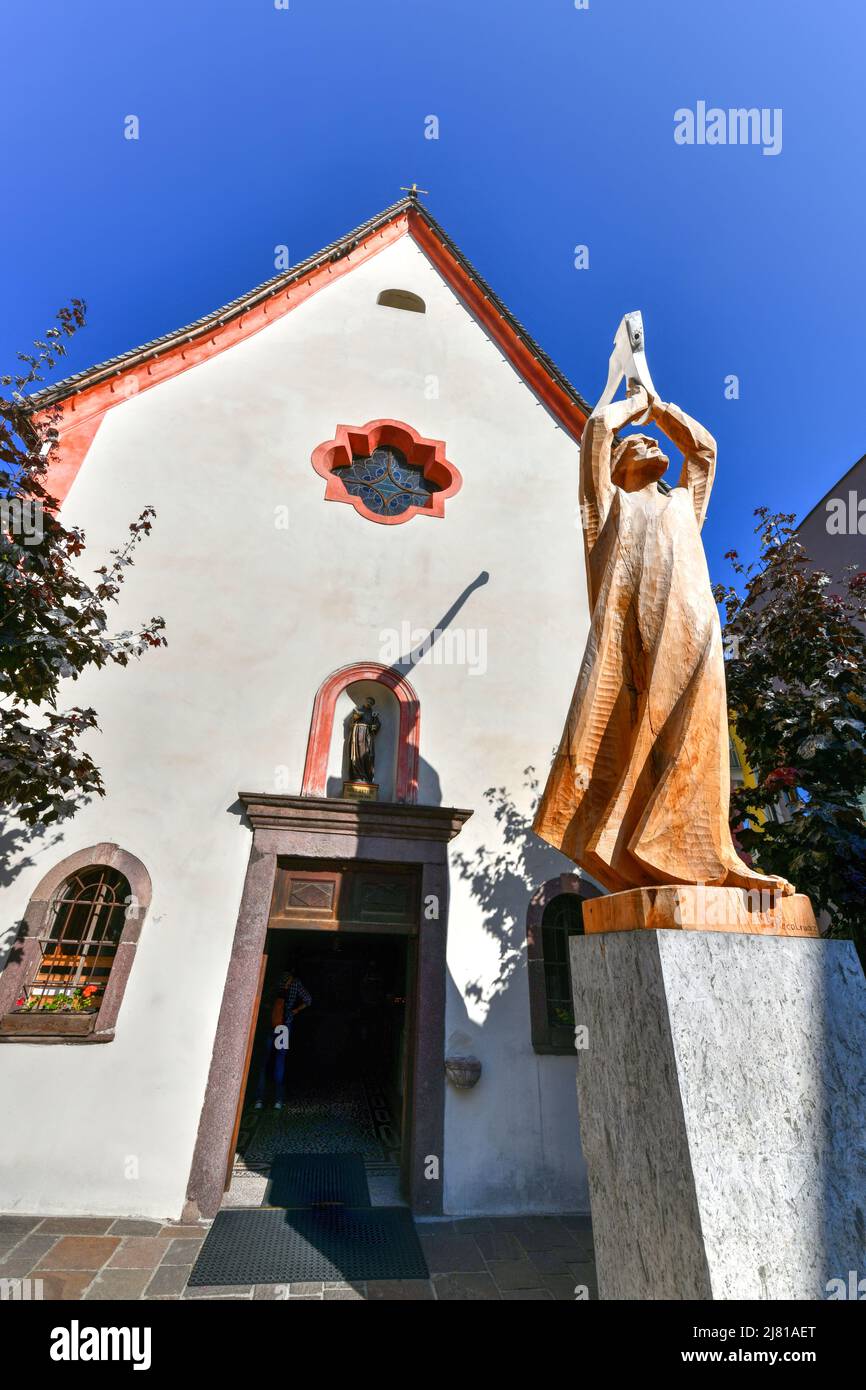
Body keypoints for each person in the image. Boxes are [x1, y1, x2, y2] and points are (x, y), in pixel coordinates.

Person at [534, 381, 792, 898]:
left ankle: (715, 856)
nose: (651, 444)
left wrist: (662, 409)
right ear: (615, 468)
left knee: (702, 736)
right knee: (638, 740)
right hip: (634, 645)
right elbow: (598, 431)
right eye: (639, 444)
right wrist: (633, 406)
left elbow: (703, 450)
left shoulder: (682, 507)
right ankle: (651, 852)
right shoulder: (605, 512)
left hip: (695, 631)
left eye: (653, 442)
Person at [253, 965, 311, 1110]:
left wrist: (269, 1011)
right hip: (284, 1027)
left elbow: (263, 999)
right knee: (280, 1061)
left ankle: (259, 1100)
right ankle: (278, 1100)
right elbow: (309, 1000)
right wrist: (294, 1011)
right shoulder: (296, 982)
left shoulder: (276, 980)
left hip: (271, 1026)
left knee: (264, 1061)